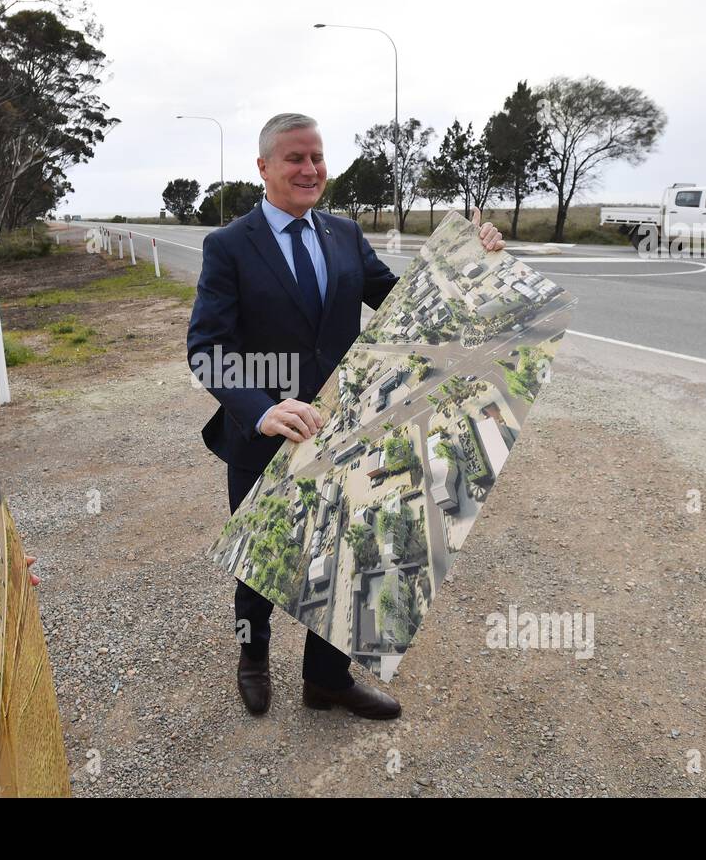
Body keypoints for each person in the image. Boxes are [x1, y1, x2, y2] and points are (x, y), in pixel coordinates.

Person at [187, 113, 504, 719]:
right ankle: (252, 656)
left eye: (317, 158)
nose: (310, 170)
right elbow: (207, 346)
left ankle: (326, 680)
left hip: (346, 427)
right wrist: (261, 407)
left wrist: (472, 261)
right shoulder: (228, 245)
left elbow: (404, 304)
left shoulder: (344, 233)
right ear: (263, 168)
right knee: (262, 555)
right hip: (266, 433)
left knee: (346, 549)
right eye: (294, 159)